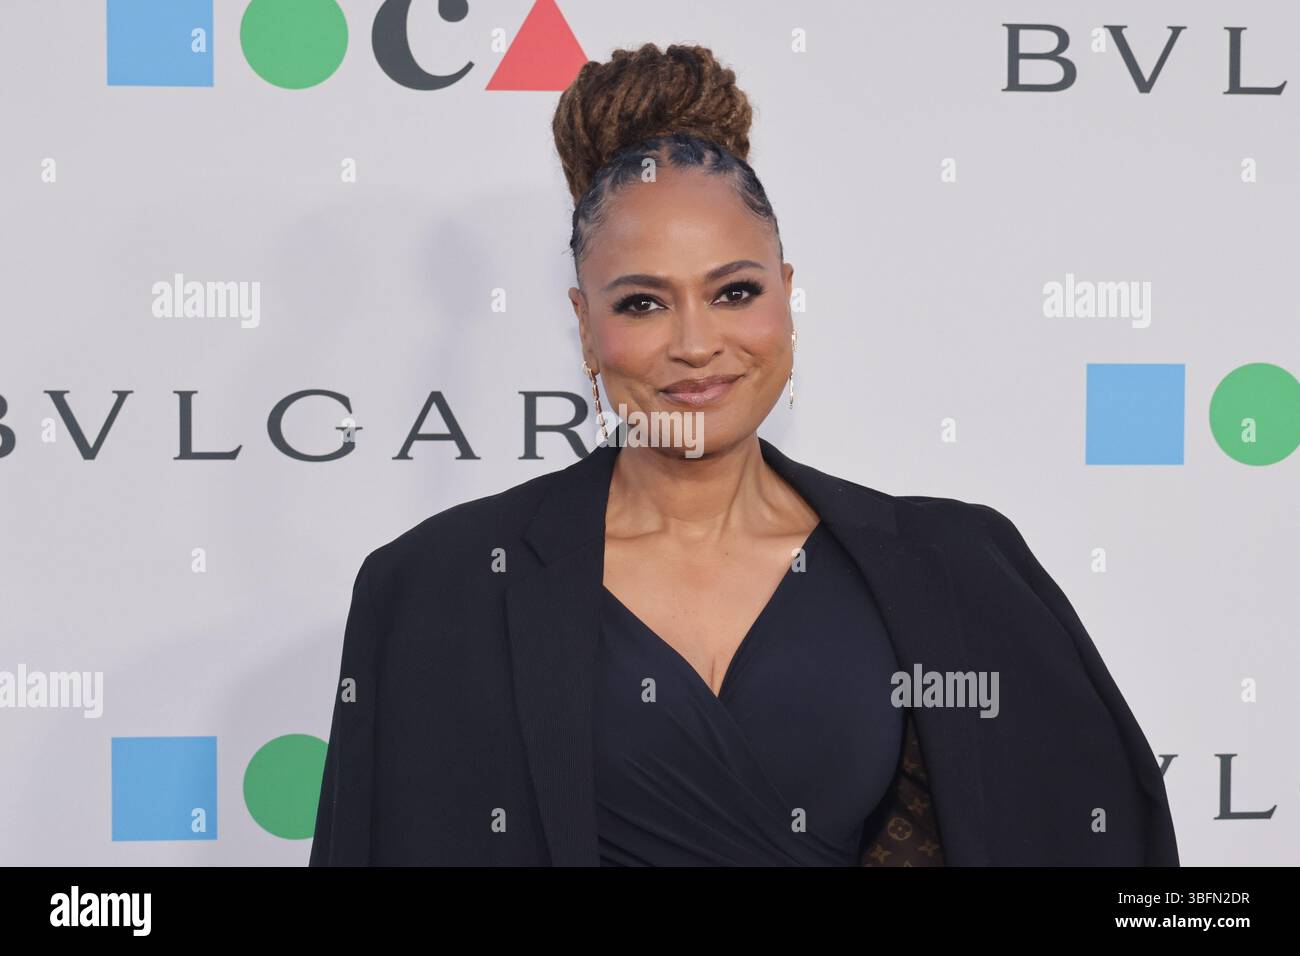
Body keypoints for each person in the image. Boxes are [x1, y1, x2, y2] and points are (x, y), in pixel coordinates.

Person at [309, 43, 1179, 867]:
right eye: (643, 304)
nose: (697, 344)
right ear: (584, 325)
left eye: (734, 292)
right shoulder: (439, 586)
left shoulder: (955, 567)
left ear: (787, 297)